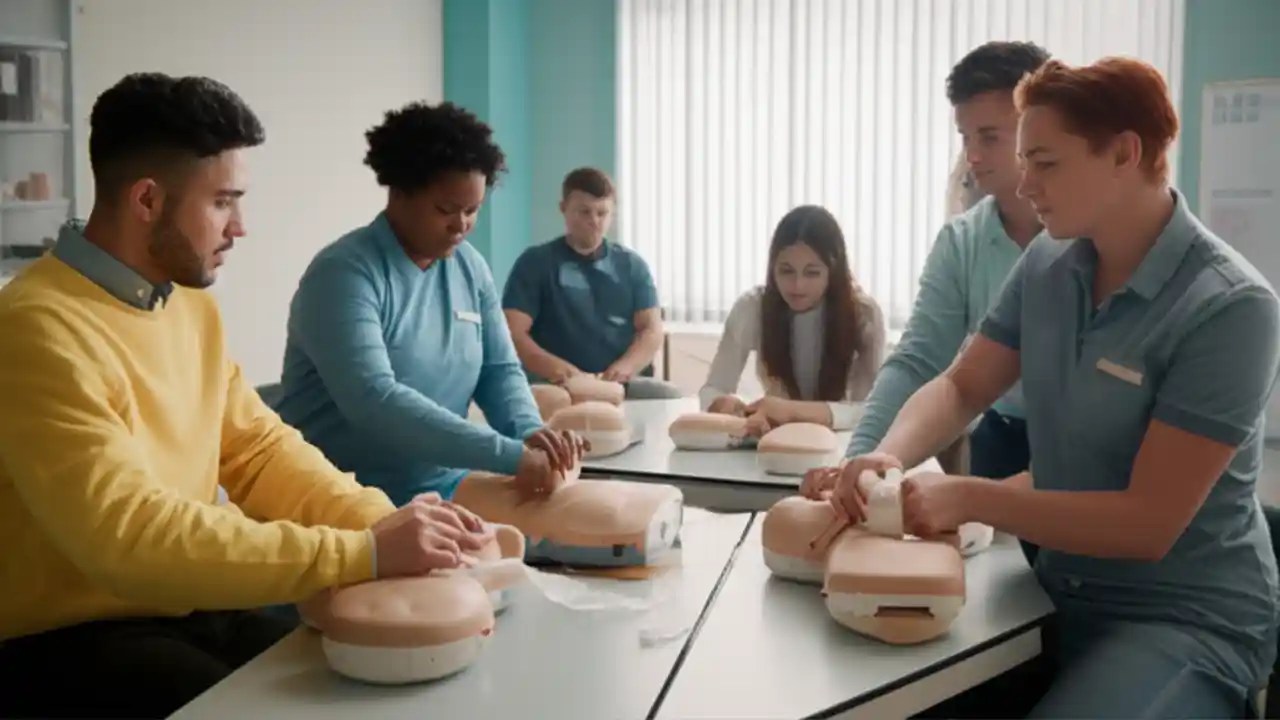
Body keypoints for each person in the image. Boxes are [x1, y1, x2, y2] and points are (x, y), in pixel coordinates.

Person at [0, 73, 487, 719]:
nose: (241, 227)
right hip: (70, 639)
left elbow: (260, 451)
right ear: (147, 199)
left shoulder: (185, 308)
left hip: (191, 604)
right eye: (224, 201)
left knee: (364, 691)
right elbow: (129, 539)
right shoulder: (36, 330)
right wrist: (361, 552)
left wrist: (381, 521)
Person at [830, 57, 1280, 718]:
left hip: (1184, 618)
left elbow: (1148, 523)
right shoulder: (1048, 261)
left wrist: (970, 497)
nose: (1023, 182)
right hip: (1054, 593)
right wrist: (887, 455)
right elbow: (960, 386)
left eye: (1045, 162)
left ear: (1125, 153)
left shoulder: (1230, 307)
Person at [276, 102, 584, 507]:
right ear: (399, 192)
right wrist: (507, 455)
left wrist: (529, 432)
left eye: (472, 210)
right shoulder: (344, 275)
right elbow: (375, 401)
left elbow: (498, 369)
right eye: (445, 210)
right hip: (338, 496)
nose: (461, 225)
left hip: (439, 487)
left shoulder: (469, 267)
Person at [810, 41, 1050, 557]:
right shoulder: (963, 240)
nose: (973, 156)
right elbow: (921, 361)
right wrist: (864, 459)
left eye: (990, 135)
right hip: (1002, 439)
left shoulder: (1087, 240)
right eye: (966, 137)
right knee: (1004, 596)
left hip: (1076, 445)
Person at [699, 205, 885, 436]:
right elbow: (713, 388)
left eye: (812, 273)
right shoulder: (752, 308)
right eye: (786, 271)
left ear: (833, 271)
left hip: (842, 444)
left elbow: (871, 410)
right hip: (773, 441)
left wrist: (791, 410)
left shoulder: (864, 315)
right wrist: (722, 404)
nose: (797, 286)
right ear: (772, 268)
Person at [503, 167, 681, 399]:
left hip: (620, 384)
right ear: (563, 209)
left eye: (602, 213)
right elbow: (513, 333)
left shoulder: (632, 265)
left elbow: (651, 330)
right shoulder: (534, 263)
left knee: (669, 396)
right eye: (584, 212)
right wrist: (561, 371)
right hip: (556, 385)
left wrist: (624, 369)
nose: (594, 221)